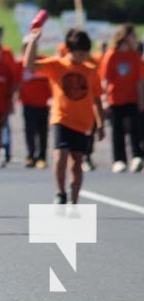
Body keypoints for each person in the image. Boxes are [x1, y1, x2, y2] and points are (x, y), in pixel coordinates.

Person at [24, 28, 105, 204]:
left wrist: (101, 124)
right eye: (80, 54)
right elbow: (29, 64)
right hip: (61, 118)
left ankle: (74, 200)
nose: (83, 57)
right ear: (69, 50)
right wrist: (33, 41)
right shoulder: (57, 65)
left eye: (85, 54)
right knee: (60, 155)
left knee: (77, 162)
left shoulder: (90, 70)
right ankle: (60, 192)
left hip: (83, 122)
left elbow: (97, 99)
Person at [98, 24, 143, 173]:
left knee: (135, 130)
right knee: (117, 130)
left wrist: (141, 99)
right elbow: (105, 79)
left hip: (132, 98)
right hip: (115, 99)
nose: (134, 38)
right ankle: (119, 159)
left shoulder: (135, 56)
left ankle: (137, 156)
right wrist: (104, 99)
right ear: (125, 36)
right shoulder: (111, 55)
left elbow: (139, 80)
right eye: (132, 35)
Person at [17, 38, 52, 169]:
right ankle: (31, 155)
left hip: (44, 103)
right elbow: (16, 83)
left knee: (43, 131)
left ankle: (42, 157)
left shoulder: (44, 61)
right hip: (28, 102)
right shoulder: (20, 64)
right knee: (29, 130)